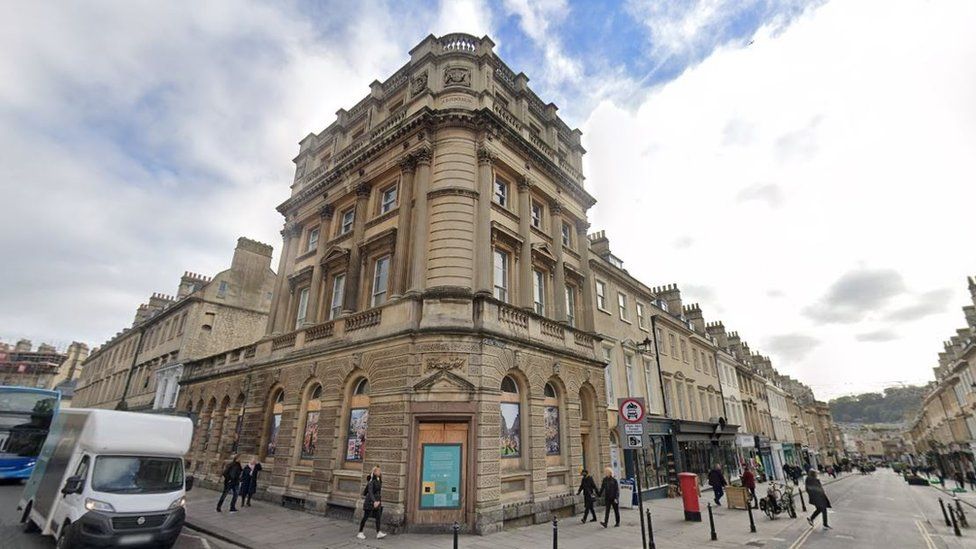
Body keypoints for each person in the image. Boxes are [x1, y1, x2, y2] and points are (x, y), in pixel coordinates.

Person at [357, 466, 387, 540]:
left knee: (378, 517)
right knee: (365, 517)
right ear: (374, 472)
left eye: (380, 471)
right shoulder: (371, 481)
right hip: (370, 501)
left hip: (377, 501)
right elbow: (370, 492)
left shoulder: (378, 479)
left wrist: (378, 501)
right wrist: (374, 501)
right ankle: (360, 532)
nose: (380, 472)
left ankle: (378, 532)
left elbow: (378, 491)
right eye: (378, 471)